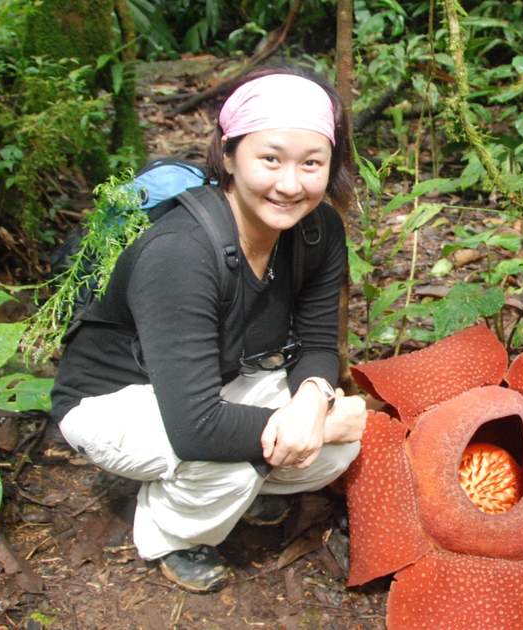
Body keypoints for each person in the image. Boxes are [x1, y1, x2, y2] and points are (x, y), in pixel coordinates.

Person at [51, 68, 367, 593]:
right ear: (229, 153)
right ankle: (172, 535)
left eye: (311, 163)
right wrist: (318, 426)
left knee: (337, 448)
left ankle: (242, 483)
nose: (291, 184)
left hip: (205, 383)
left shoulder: (317, 229)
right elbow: (196, 428)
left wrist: (312, 403)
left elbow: (314, 344)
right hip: (113, 401)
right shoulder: (180, 252)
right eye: (271, 158)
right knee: (247, 456)